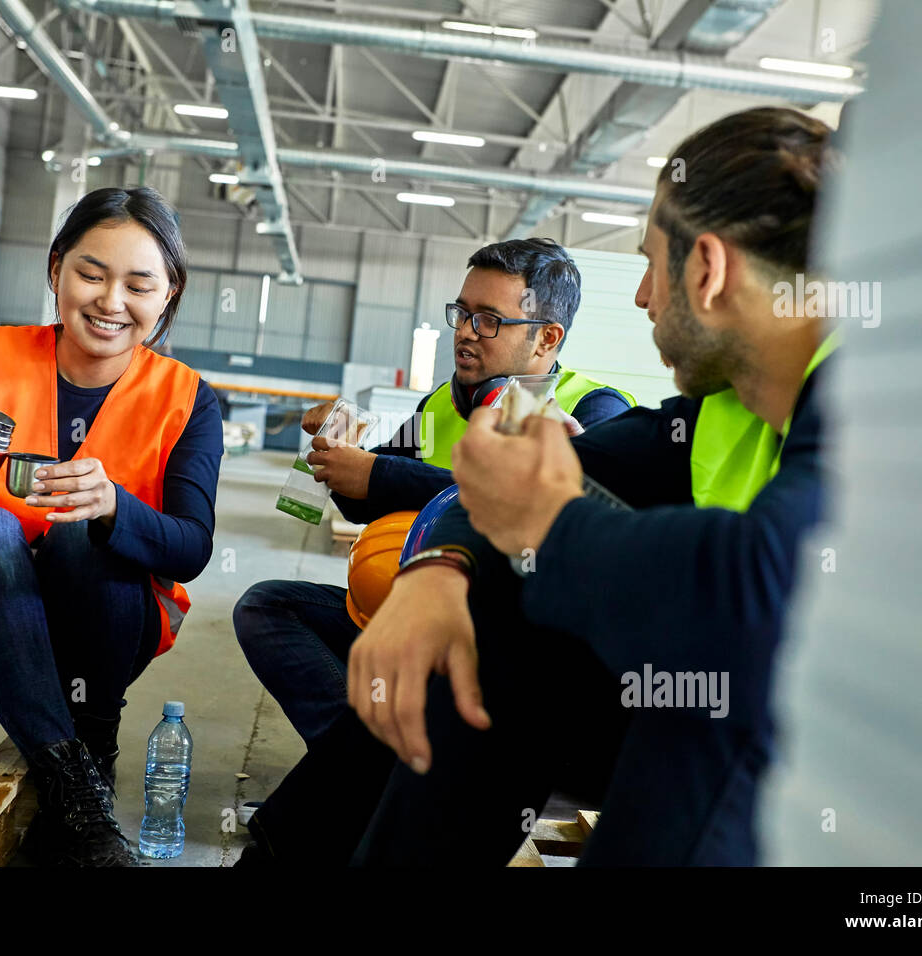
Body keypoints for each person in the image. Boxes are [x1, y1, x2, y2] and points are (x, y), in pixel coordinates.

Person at [245, 106, 839, 866]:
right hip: (715, 705)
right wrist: (437, 571)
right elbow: (511, 486)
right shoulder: (722, 412)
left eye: (652, 265)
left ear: (709, 271)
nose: (642, 296)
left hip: (819, 771)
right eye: (464, 314)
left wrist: (545, 523)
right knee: (476, 629)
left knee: (570, 658)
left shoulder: (875, 403)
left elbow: (754, 590)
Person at [0, 187, 223, 867]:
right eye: (91, 273)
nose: (112, 301)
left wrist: (116, 505)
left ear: (167, 296)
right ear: (55, 269)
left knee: (86, 534)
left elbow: (192, 547)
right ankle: (82, 783)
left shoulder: (187, 400)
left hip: (102, 643)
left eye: (139, 285)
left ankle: (72, 769)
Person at [233, 239, 635, 750]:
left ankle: (355, 772)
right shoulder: (441, 405)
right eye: (462, 314)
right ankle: (360, 763)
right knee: (268, 608)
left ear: (546, 338)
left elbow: (553, 509)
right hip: (412, 620)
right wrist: (340, 450)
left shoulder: (595, 410)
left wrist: (379, 474)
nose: (466, 332)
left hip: (507, 648)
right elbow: (367, 496)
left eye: (489, 320)